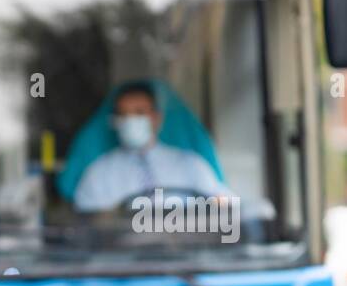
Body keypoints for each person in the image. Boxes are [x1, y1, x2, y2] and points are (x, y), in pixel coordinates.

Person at [72, 81, 230, 212]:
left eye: (139, 112)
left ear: (156, 118)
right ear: (115, 121)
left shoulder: (190, 164)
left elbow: (225, 206)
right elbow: (86, 222)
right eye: (124, 114)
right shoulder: (99, 173)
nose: (130, 120)